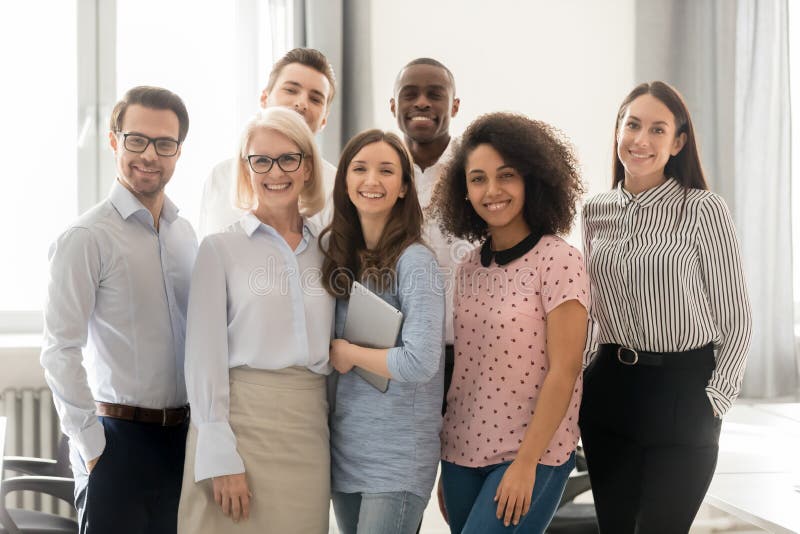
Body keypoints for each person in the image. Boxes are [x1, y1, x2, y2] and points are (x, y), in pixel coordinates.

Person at [579, 81, 752, 533]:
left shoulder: (703, 210)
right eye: (632, 124)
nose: (641, 140)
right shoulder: (595, 211)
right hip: (609, 391)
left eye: (657, 130)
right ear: (618, 129)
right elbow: (594, 315)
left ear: (677, 143)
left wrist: (716, 399)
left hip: (683, 392)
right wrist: (581, 383)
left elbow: (736, 316)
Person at [40, 86, 196, 533]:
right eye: (136, 140)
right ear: (114, 141)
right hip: (116, 443)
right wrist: (92, 447)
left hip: (183, 443)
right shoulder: (86, 238)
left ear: (178, 152)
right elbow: (59, 351)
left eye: (164, 144)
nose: (149, 154)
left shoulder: (186, 235)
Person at [430, 112, 588, 533]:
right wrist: (452, 460)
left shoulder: (559, 261)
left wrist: (525, 463)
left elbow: (565, 370)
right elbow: (468, 370)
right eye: (478, 179)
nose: (492, 191)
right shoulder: (467, 268)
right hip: (462, 452)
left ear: (531, 180)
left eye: (506, 176)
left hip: (530, 453)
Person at [177, 107, 332, 533]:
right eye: (260, 160)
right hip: (239, 427)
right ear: (246, 169)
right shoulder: (220, 249)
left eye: (288, 158)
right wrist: (220, 454)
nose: (274, 171)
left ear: (307, 167)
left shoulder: (330, 248)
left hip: (308, 433)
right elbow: (202, 358)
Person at [320, 130, 445, 534]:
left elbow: (421, 361)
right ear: (344, 181)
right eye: (360, 169)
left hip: (397, 458)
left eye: (386, 171)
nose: (371, 180)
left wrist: (351, 354)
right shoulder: (341, 260)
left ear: (404, 188)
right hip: (348, 451)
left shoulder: (416, 261)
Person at [199, 47, 337, 236]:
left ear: (324, 119)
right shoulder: (220, 178)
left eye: (315, 99)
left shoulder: (335, 189)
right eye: (290, 90)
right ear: (264, 98)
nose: (302, 103)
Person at [391, 57, 460, 414]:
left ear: (454, 105)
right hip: (398, 354)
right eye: (410, 94)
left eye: (435, 95)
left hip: (468, 355)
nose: (422, 103)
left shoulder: (476, 170)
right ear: (393, 107)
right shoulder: (381, 172)